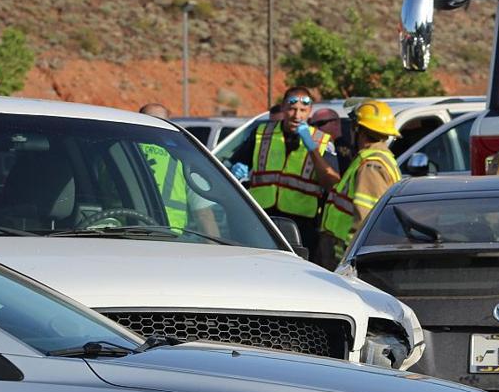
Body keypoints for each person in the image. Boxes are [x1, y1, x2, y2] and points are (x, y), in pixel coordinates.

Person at [237, 87, 340, 259]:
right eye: (292, 109)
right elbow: (238, 164)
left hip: (301, 223)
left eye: (303, 110)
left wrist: (312, 148)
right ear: (284, 108)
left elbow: (331, 183)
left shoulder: (321, 140)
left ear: (310, 112)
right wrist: (236, 170)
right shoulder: (262, 133)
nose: (296, 115)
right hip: (263, 217)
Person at [317, 100, 402, 270]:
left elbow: (365, 218)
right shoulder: (375, 159)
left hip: (346, 256)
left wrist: (350, 259)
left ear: (358, 130)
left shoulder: (371, 166)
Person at [137, 102, 221, 238]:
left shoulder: (118, 152)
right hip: (170, 235)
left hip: (120, 232)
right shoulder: (182, 158)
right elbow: (204, 214)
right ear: (168, 124)